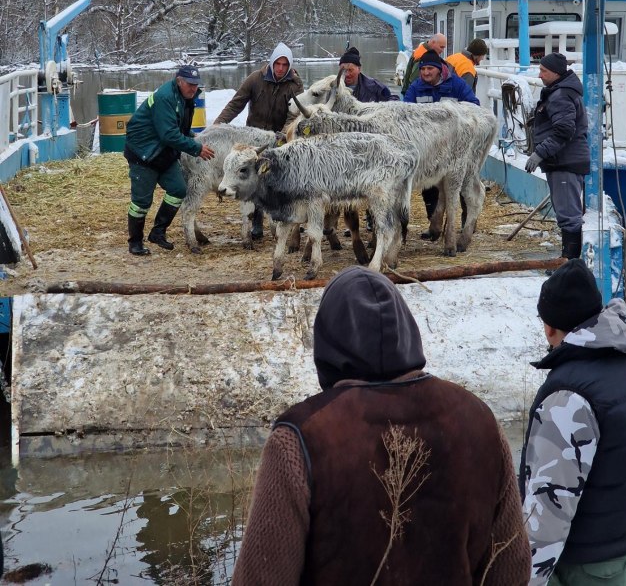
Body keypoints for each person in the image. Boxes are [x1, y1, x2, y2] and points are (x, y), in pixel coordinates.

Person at [232, 266, 530, 586]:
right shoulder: (478, 419)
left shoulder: (302, 437)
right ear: (408, 330)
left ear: (328, 341)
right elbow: (511, 567)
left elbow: (260, 578)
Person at [520, 258, 626, 586]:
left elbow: (549, 510)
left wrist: (525, 578)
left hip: (585, 569)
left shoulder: (569, 398)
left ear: (548, 326)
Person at [214, 42, 303, 239]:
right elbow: (236, 103)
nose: (280, 68)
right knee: (254, 178)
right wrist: (219, 124)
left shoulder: (295, 84)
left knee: (276, 179)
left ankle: (278, 218)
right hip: (253, 136)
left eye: (284, 65)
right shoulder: (255, 78)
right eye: (277, 64)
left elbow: (294, 113)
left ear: (289, 66)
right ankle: (256, 220)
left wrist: (284, 132)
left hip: (279, 137)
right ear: (271, 63)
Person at [124, 65, 214, 256]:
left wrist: (194, 136)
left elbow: (178, 128)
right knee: (141, 202)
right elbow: (169, 135)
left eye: (196, 85)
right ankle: (135, 242)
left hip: (164, 152)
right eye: (190, 84)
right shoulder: (166, 97)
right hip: (144, 153)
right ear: (179, 81)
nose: (194, 89)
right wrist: (196, 148)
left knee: (178, 189)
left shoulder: (187, 97)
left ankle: (158, 232)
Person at [404, 50, 480, 236]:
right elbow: (405, 112)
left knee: (460, 183)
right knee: (428, 186)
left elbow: (474, 105)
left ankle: (465, 223)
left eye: (430, 68)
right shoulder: (416, 87)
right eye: (423, 69)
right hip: (430, 147)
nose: (425, 73)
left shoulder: (456, 84)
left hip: (455, 143)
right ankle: (434, 224)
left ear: (439, 69)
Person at [524, 52, 589, 259]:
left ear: (555, 72)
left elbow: (564, 130)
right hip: (562, 161)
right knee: (566, 214)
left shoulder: (561, 95)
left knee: (569, 216)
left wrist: (539, 153)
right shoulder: (559, 92)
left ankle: (570, 266)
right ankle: (568, 265)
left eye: (543, 71)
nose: (540, 75)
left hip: (565, 163)